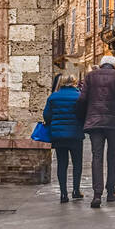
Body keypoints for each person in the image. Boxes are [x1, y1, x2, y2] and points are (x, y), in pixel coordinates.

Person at [75, 55, 115, 208]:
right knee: (112, 155)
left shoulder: (90, 76)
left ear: (101, 64)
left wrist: (84, 116)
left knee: (96, 156)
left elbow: (81, 99)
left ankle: (97, 194)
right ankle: (111, 192)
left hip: (94, 122)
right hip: (112, 123)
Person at [42, 73, 85, 203]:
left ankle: (63, 194)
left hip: (58, 136)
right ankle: (76, 190)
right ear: (74, 82)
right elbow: (83, 115)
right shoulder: (79, 96)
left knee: (62, 163)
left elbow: (47, 116)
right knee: (77, 163)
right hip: (75, 134)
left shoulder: (53, 97)